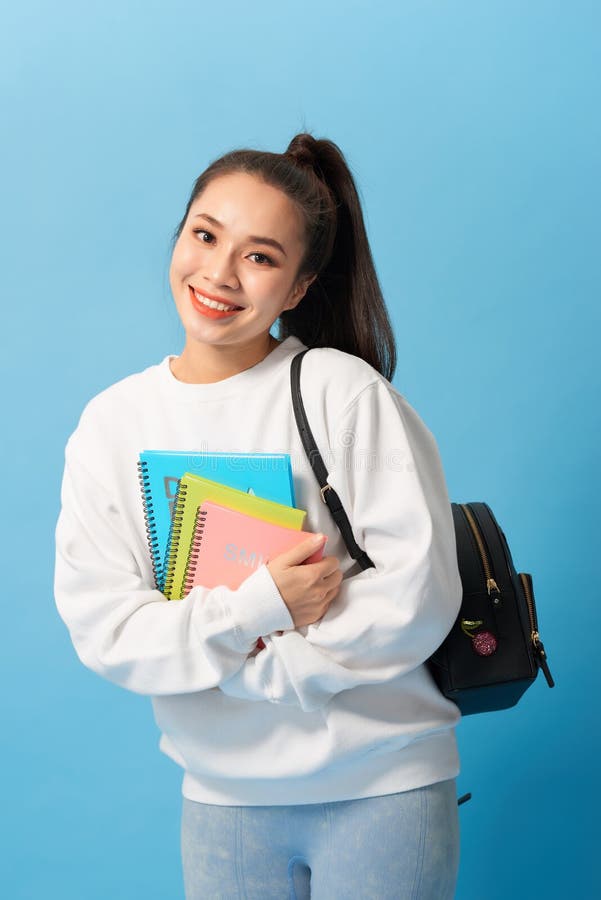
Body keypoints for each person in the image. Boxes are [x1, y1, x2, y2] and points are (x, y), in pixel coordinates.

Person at [54, 132, 464, 899]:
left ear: (299, 287)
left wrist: (260, 670)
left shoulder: (342, 392)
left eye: (260, 256)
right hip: (223, 800)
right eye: (205, 235)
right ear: (179, 236)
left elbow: (418, 592)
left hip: (382, 784)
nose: (219, 273)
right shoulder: (113, 423)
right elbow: (106, 627)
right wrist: (256, 610)